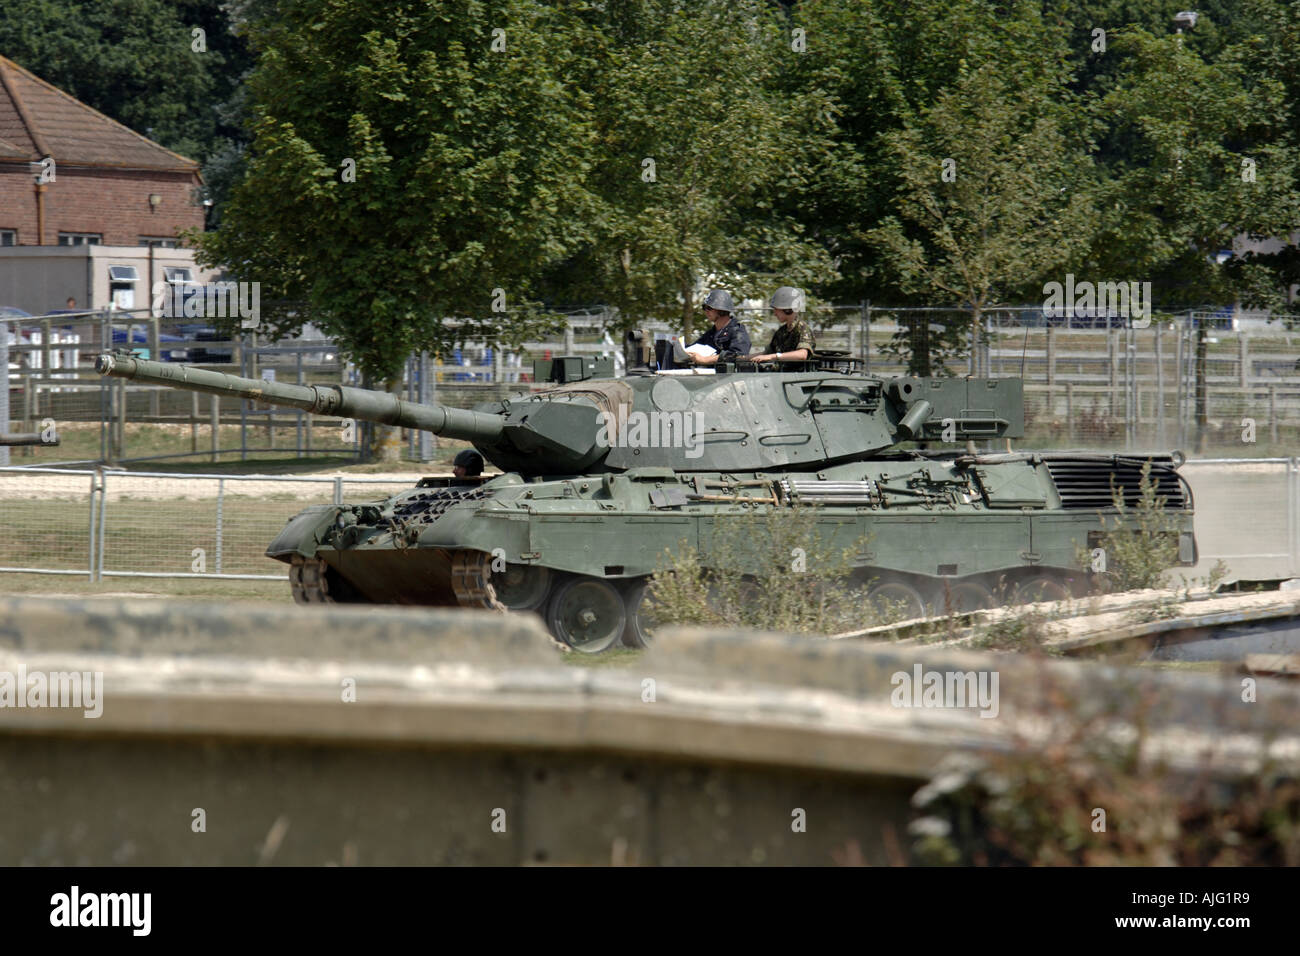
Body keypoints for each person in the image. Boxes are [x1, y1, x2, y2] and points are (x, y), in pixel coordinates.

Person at [681, 289, 751, 366]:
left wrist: (705, 360)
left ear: (721, 310)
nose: (706, 311)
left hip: (730, 377)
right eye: (704, 307)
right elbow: (695, 347)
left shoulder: (738, 332)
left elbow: (739, 356)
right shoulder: (711, 334)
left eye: (709, 308)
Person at [751, 287, 815, 363]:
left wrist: (773, 356)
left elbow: (802, 355)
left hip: (798, 373)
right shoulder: (782, 331)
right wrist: (740, 358)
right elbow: (766, 354)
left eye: (776, 310)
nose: (774, 314)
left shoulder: (802, 328)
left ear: (787, 309)